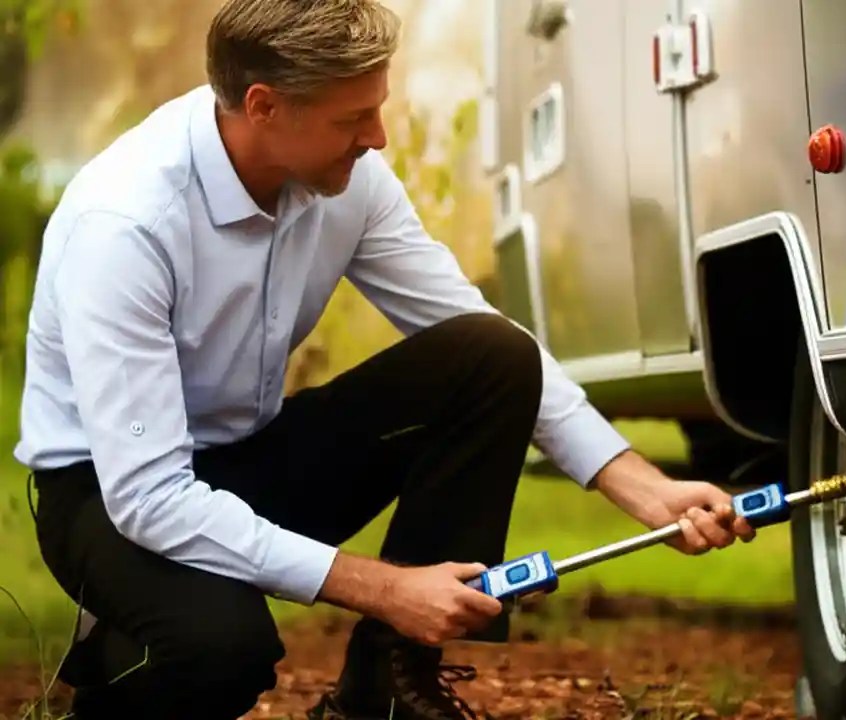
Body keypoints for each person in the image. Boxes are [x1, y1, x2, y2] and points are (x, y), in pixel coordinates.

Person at [12, 0, 757, 718]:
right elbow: (149, 497)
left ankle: (386, 690)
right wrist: (388, 587)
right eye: (353, 118)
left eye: (377, 108)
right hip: (108, 495)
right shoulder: (126, 223)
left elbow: (470, 324)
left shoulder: (347, 180)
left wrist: (643, 486)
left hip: (247, 456)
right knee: (222, 651)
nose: (379, 138)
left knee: (491, 356)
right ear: (264, 106)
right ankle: (116, 670)